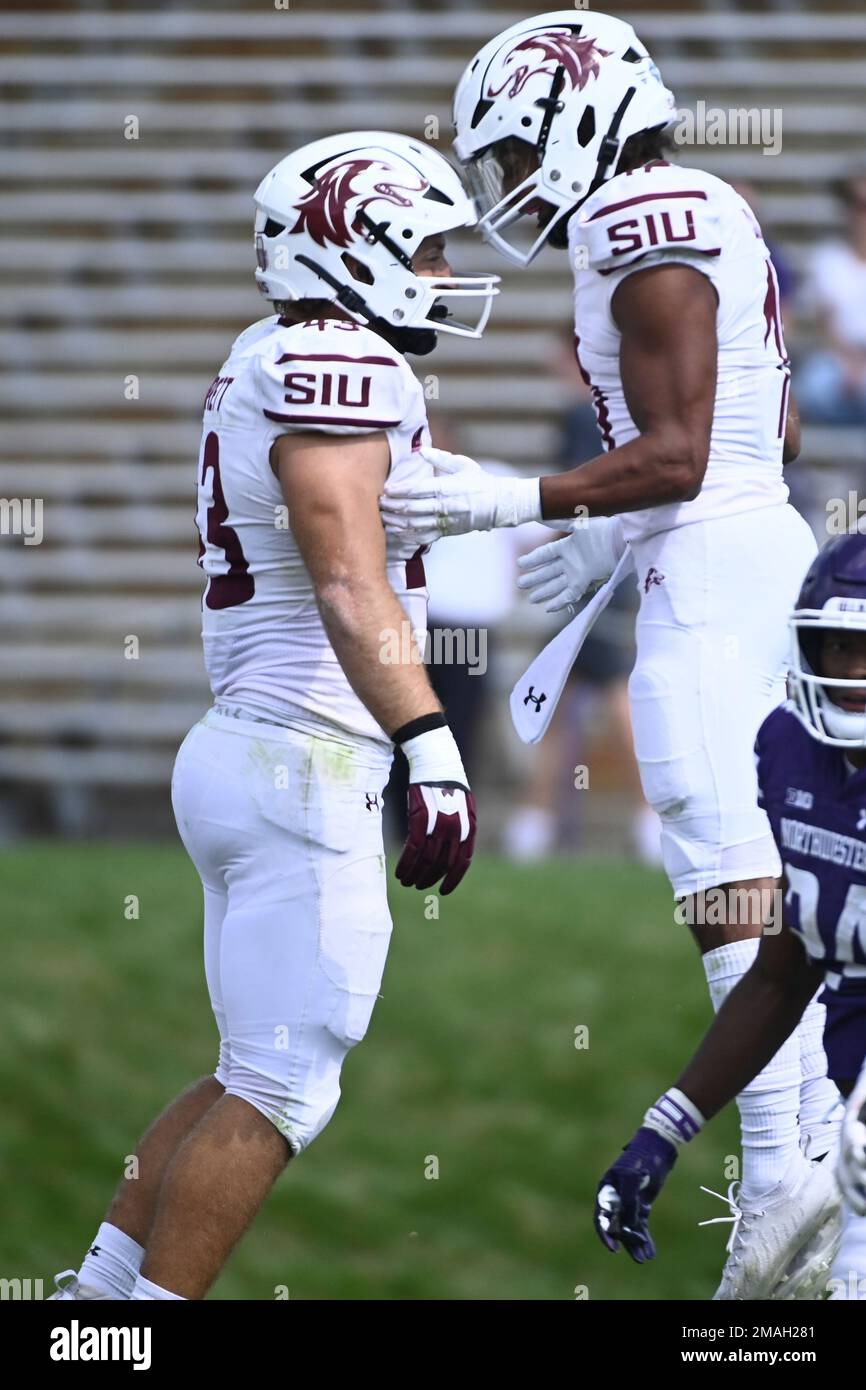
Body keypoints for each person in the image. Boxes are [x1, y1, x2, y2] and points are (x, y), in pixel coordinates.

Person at [380, 11, 839, 1297]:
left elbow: (682, 453)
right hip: (748, 542)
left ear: (581, 116)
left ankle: (778, 1162)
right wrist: (614, 514)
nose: (507, 188)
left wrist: (511, 499)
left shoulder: (634, 228)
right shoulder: (706, 204)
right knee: (753, 852)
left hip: (708, 561)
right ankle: (796, 1149)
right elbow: (773, 429)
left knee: (713, 842)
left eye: (515, 152)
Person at [47, 131, 497, 1301]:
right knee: (286, 1088)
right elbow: (346, 578)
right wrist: (432, 745)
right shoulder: (343, 364)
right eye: (430, 248)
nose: (445, 275)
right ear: (360, 246)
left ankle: (96, 1312)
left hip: (250, 747)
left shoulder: (269, 351)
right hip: (305, 751)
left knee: (250, 1069)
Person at [594, 534, 866, 1300]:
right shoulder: (790, 750)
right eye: (834, 647)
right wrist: (664, 1130)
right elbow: (783, 972)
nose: (852, 674)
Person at [797, 170, 866, 426]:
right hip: (838, 360)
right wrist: (851, 361)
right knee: (814, 388)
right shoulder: (827, 260)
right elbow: (825, 322)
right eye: (857, 204)